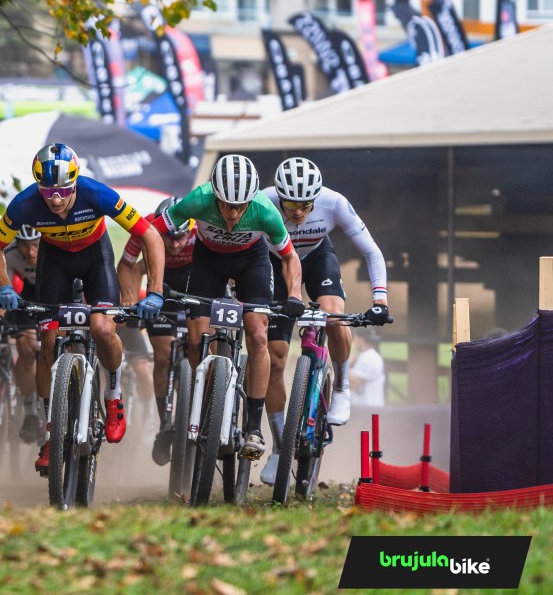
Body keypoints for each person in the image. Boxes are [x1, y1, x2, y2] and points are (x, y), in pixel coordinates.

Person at [0, 143, 165, 475]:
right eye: (48, 191)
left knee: (103, 328)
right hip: (55, 263)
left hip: (96, 257)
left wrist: (154, 292)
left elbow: (150, 236)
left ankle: (112, 397)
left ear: (76, 181)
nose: (55, 199)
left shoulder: (96, 194)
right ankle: (52, 431)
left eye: (64, 190)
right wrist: (4, 286)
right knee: (48, 342)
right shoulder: (25, 205)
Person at [154, 153, 304, 462]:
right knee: (195, 341)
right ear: (215, 195)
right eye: (226, 205)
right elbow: (151, 233)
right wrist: (141, 277)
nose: (233, 213)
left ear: (251, 199)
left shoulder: (265, 210)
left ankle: (253, 427)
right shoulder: (198, 199)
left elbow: (289, 257)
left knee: (258, 336)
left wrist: (294, 296)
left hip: (252, 263)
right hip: (208, 262)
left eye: (240, 206)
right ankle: (205, 401)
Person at [257, 157, 390, 485]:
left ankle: (341, 385)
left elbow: (372, 252)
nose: (299, 212)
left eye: (305, 205)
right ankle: (278, 445)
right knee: (274, 358)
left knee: (335, 317)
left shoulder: (334, 203)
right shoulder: (262, 202)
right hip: (275, 262)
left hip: (317, 257)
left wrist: (380, 299)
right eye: (291, 205)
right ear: (279, 196)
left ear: (316, 197)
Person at [117, 195, 196, 465]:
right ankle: (166, 426)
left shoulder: (201, 230)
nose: (174, 244)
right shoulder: (147, 226)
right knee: (163, 355)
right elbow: (128, 265)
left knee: (208, 349)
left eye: (180, 238)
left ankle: (211, 406)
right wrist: (129, 296)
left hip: (197, 288)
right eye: (169, 238)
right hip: (160, 292)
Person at [4, 224, 43, 443]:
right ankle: (30, 411)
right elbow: (5, 288)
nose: (30, 253)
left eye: (35, 245)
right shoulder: (9, 253)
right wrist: (0, 318)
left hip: (58, 292)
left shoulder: (54, 247)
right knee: (26, 348)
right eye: (24, 246)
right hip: (30, 294)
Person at [349, 326, 386, 410]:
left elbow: (357, 380)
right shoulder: (364, 356)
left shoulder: (370, 357)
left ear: (360, 338)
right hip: (364, 407)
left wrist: (345, 365)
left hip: (369, 408)